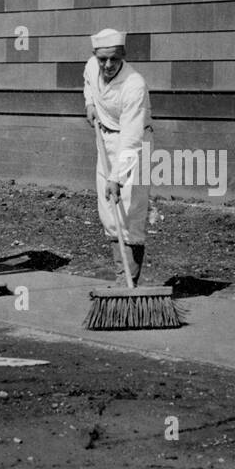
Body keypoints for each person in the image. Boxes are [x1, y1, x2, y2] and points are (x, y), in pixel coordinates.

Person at [83, 28, 152, 283]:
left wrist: (117, 177)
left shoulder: (135, 85)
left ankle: (129, 280)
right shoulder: (92, 66)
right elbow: (88, 81)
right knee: (109, 213)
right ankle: (121, 275)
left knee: (129, 212)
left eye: (114, 58)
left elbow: (131, 139)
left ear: (123, 55)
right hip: (105, 140)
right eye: (103, 59)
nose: (108, 65)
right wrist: (90, 103)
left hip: (134, 145)